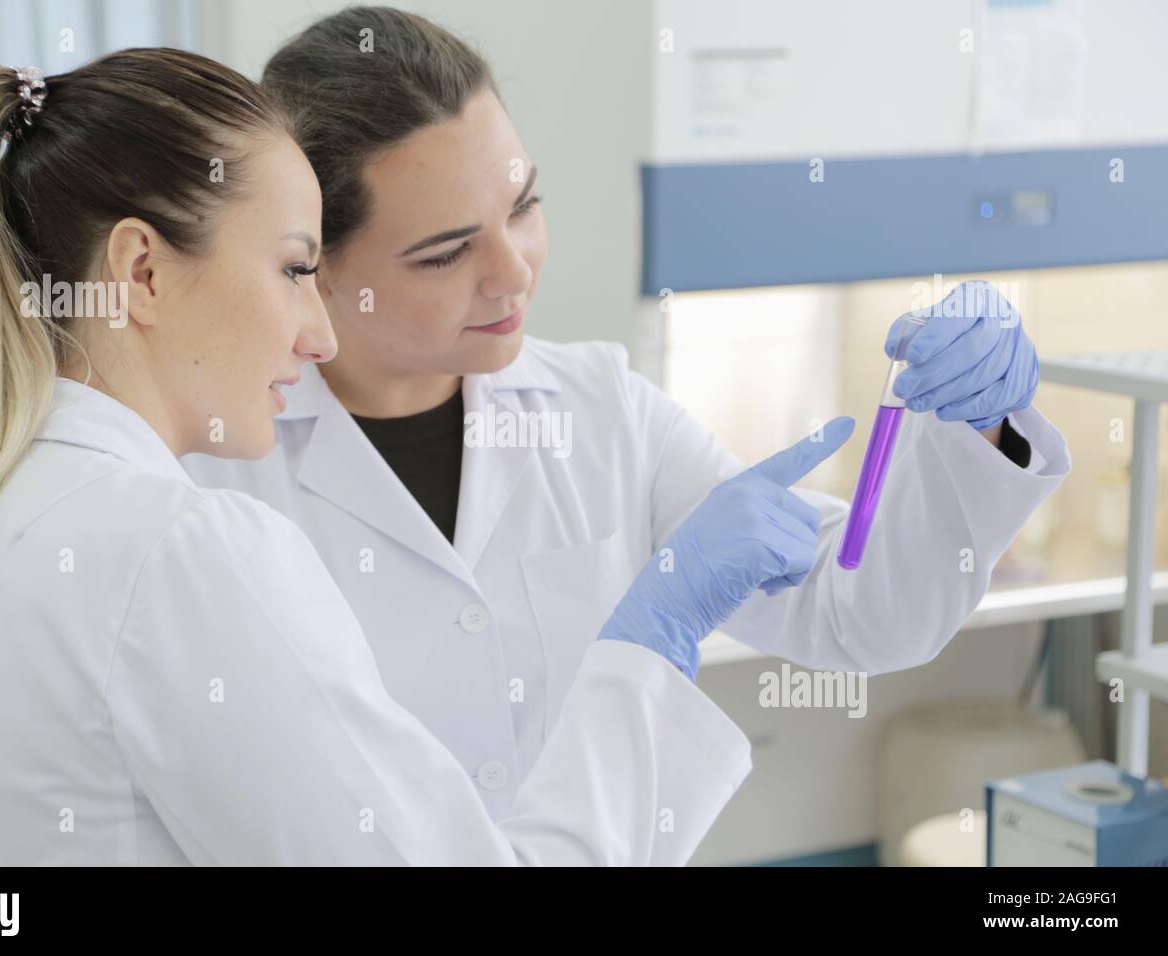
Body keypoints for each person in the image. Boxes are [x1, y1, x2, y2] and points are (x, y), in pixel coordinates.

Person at [0, 50, 842, 865]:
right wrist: (650, 644)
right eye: (295, 269)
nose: (319, 333)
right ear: (143, 271)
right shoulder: (176, 549)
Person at [183, 6, 1072, 819]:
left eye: (523, 207)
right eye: (448, 253)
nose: (515, 270)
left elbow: (866, 612)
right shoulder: (211, 467)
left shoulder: (601, 410)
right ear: (317, 263)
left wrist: (982, 422)